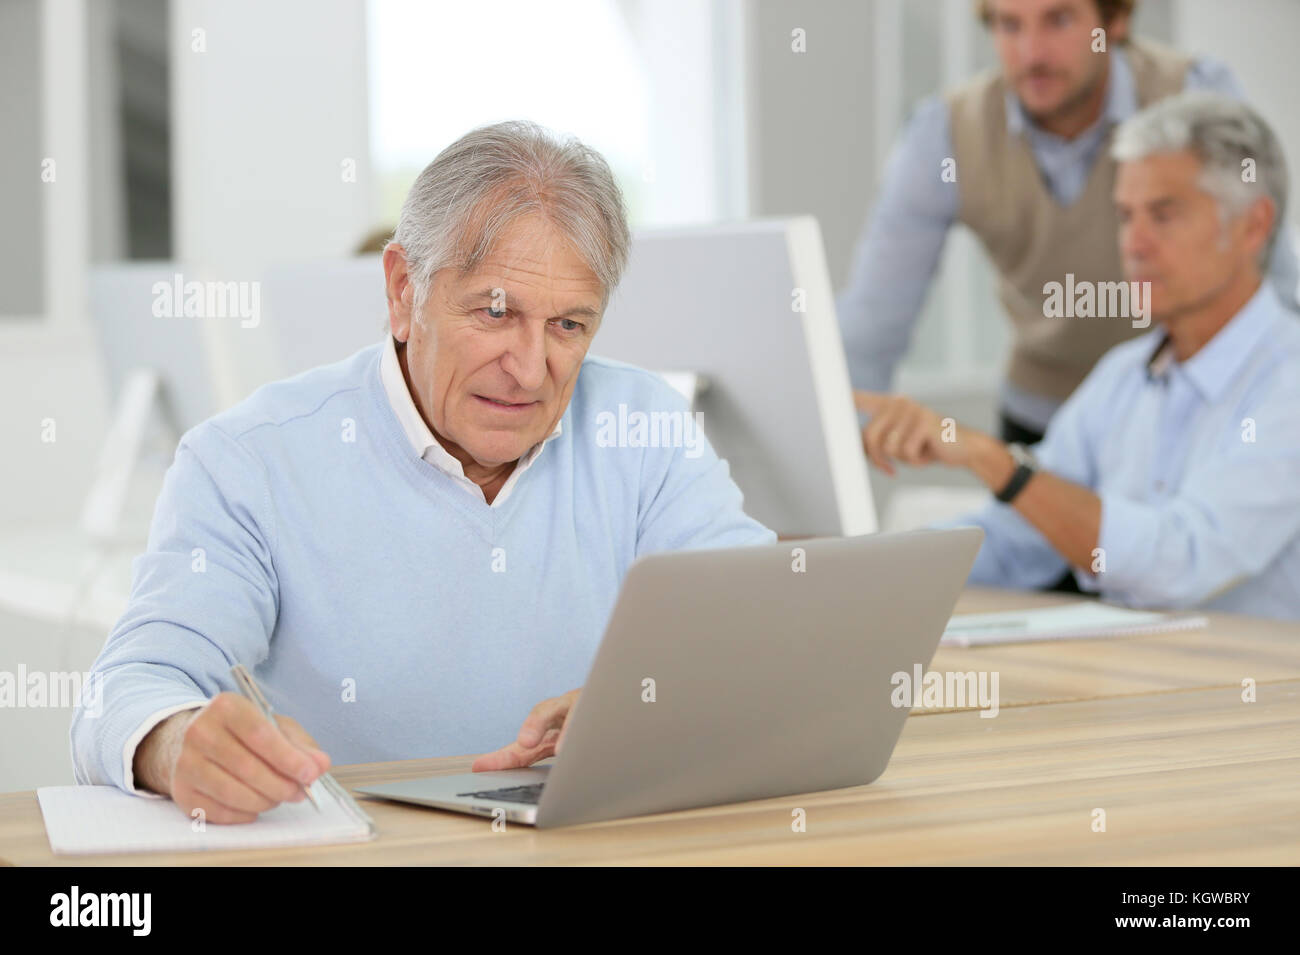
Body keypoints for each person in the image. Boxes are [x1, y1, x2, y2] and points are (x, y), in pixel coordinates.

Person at [70, 121, 773, 822]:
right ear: (404, 290)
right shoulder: (247, 459)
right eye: (496, 313)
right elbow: (131, 684)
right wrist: (176, 742)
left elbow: (762, 631)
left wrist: (660, 701)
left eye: (569, 326)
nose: (531, 369)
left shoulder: (643, 425)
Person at [856, 92, 1300, 620]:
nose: (1134, 244)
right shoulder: (1123, 377)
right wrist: (861, 571)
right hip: (1141, 683)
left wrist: (992, 459)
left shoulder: (1286, 383)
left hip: (1260, 695)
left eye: (1163, 215)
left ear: (1253, 226)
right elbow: (1018, 541)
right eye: (1125, 216)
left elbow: (1181, 565)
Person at [837, 0, 1298, 446]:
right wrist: (839, 464)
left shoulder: (1194, 95)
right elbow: (873, 323)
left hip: (1191, 409)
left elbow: (1274, 280)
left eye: (1058, 20)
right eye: (1009, 25)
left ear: (1113, 19)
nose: (1032, 53)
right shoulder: (945, 135)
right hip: (1043, 417)